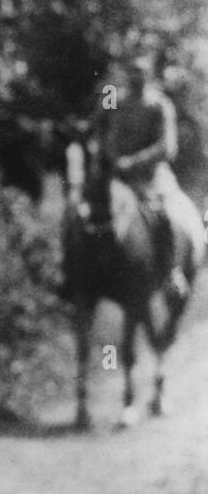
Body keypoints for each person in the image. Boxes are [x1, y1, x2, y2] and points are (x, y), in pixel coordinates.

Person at [102, 54, 190, 306]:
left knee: (163, 214)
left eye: (139, 72)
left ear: (148, 75)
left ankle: (172, 271)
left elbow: (167, 146)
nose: (134, 77)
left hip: (151, 176)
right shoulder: (114, 99)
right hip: (117, 173)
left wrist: (135, 161)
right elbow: (105, 129)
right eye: (130, 71)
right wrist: (113, 156)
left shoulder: (160, 104)